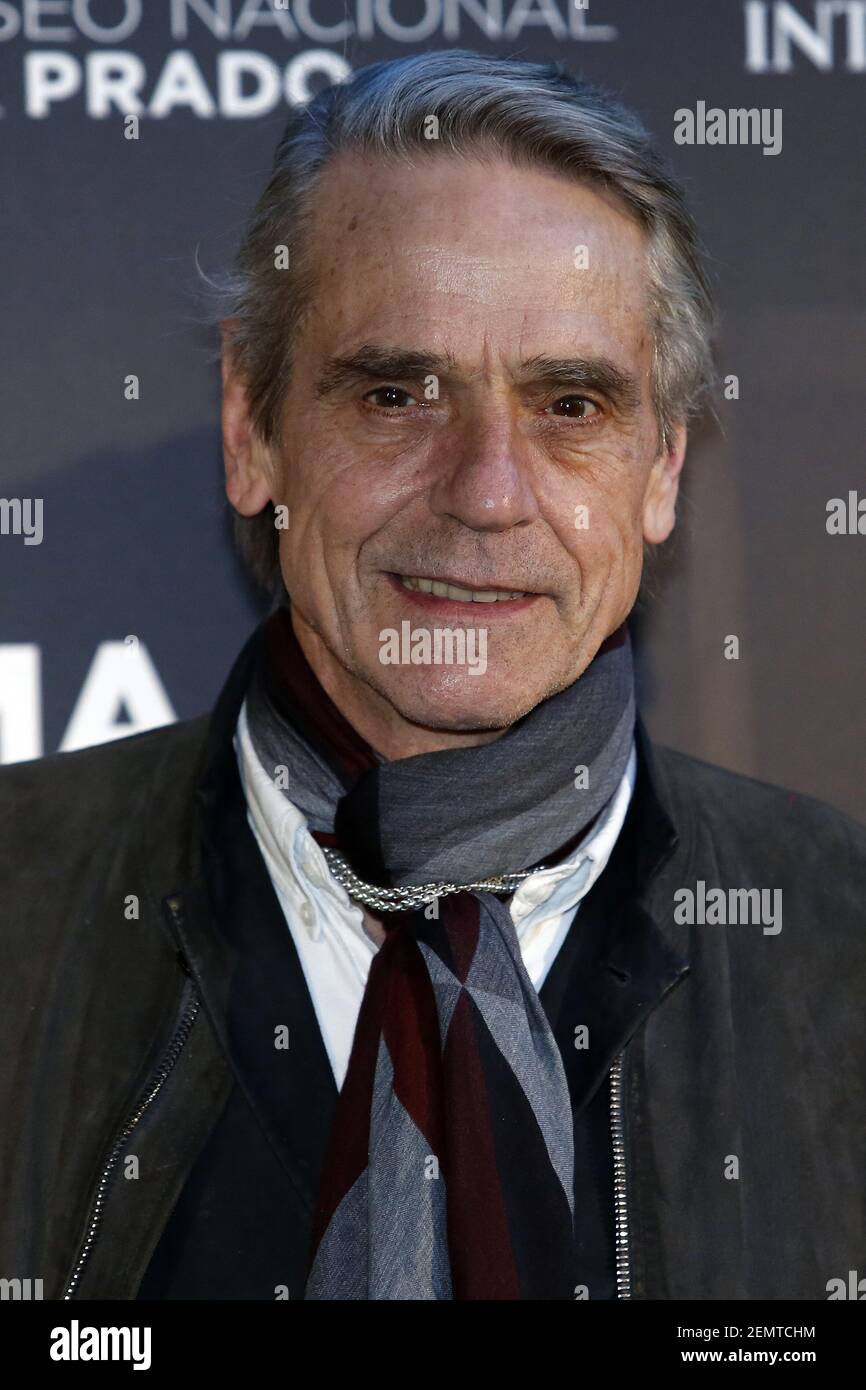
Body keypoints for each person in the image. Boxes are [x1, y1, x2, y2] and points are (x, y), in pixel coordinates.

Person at [1, 49, 863, 1302]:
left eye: (571, 404)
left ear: (663, 466)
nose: (486, 492)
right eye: (398, 392)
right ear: (252, 426)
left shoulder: (838, 943)